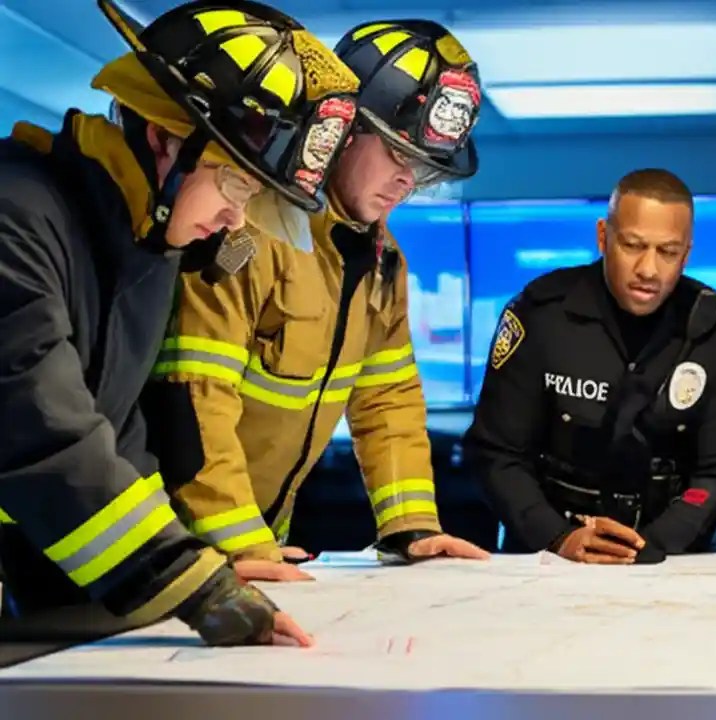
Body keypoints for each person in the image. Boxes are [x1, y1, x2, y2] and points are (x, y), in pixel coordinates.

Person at [0, 0, 360, 646]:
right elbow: (44, 437)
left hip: (39, 574)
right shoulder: (16, 218)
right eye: (235, 187)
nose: (235, 221)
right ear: (166, 139)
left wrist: (198, 555)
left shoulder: (145, 243)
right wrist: (195, 585)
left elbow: (121, 432)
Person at [142, 19, 489, 576]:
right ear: (344, 129)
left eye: (423, 169)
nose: (408, 181)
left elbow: (387, 401)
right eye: (400, 155)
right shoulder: (240, 228)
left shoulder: (382, 258)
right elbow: (195, 398)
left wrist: (413, 527)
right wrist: (236, 542)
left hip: (258, 543)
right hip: (177, 546)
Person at [464, 169, 716, 564]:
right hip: (545, 556)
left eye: (668, 252)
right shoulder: (541, 316)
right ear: (604, 237)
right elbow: (497, 453)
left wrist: (644, 550)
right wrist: (559, 537)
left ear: (687, 253)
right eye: (633, 245)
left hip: (670, 560)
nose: (649, 269)